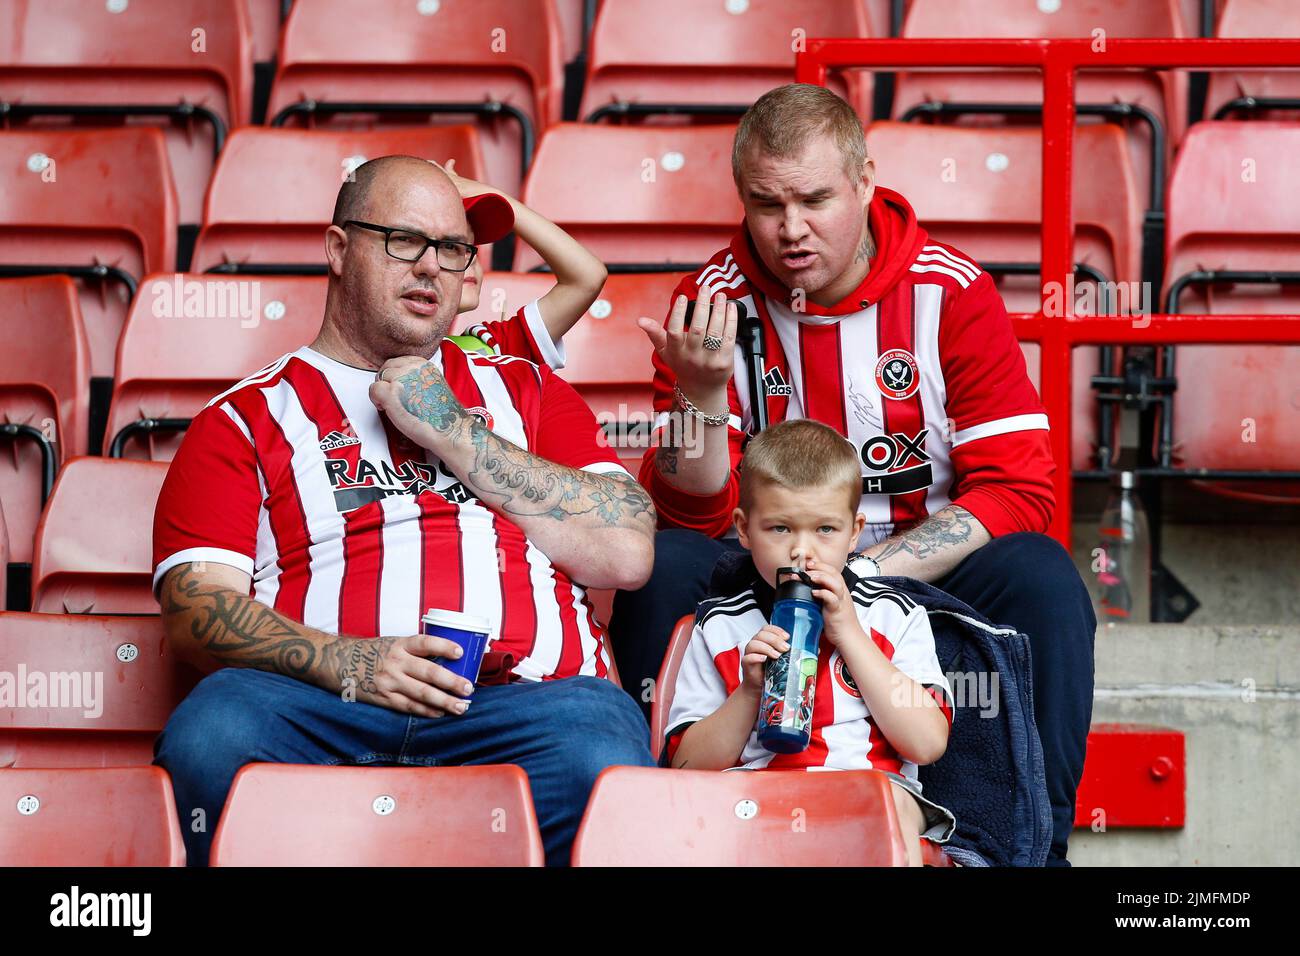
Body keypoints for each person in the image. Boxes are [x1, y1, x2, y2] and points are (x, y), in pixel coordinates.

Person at [612, 83, 1096, 866]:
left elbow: (1019, 488)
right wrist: (700, 396)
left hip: (920, 570)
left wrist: (854, 575)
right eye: (767, 204)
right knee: (662, 566)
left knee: (1041, 577)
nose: (791, 229)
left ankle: (1037, 848)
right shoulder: (712, 302)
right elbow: (695, 516)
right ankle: (653, 831)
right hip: (761, 572)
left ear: (865, 181)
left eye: (815, 200)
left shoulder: (951, 292)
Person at [151, 155, 658, 867]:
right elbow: (194, 608)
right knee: (211, 732)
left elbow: (628, 551)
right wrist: (348, 662)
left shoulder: (525, 390)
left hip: (522, 712)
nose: (430, 268)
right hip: (324, 708)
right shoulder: (245, 416)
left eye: (452, 250)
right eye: (402, 240)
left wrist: (452, 429)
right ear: (336, 250)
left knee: (602, 749)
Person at [664, 419, 955, 867]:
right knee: (699, 831)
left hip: (870, 790)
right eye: (780, 529)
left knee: (889, 809)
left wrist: (851, 635)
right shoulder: (719, 626)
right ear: (743, 529)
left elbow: (927, 744)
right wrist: (749, 692)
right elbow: (685, 770)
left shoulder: (895, 616)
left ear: (855, 531)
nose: (803, 551)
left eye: (825, 529)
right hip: (753, 798)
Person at [438, 159, 607, 372]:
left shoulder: (491, 347)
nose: (469, 258)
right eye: (450, 247)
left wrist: (482, 192)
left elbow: (588, 277)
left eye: (472, 247)